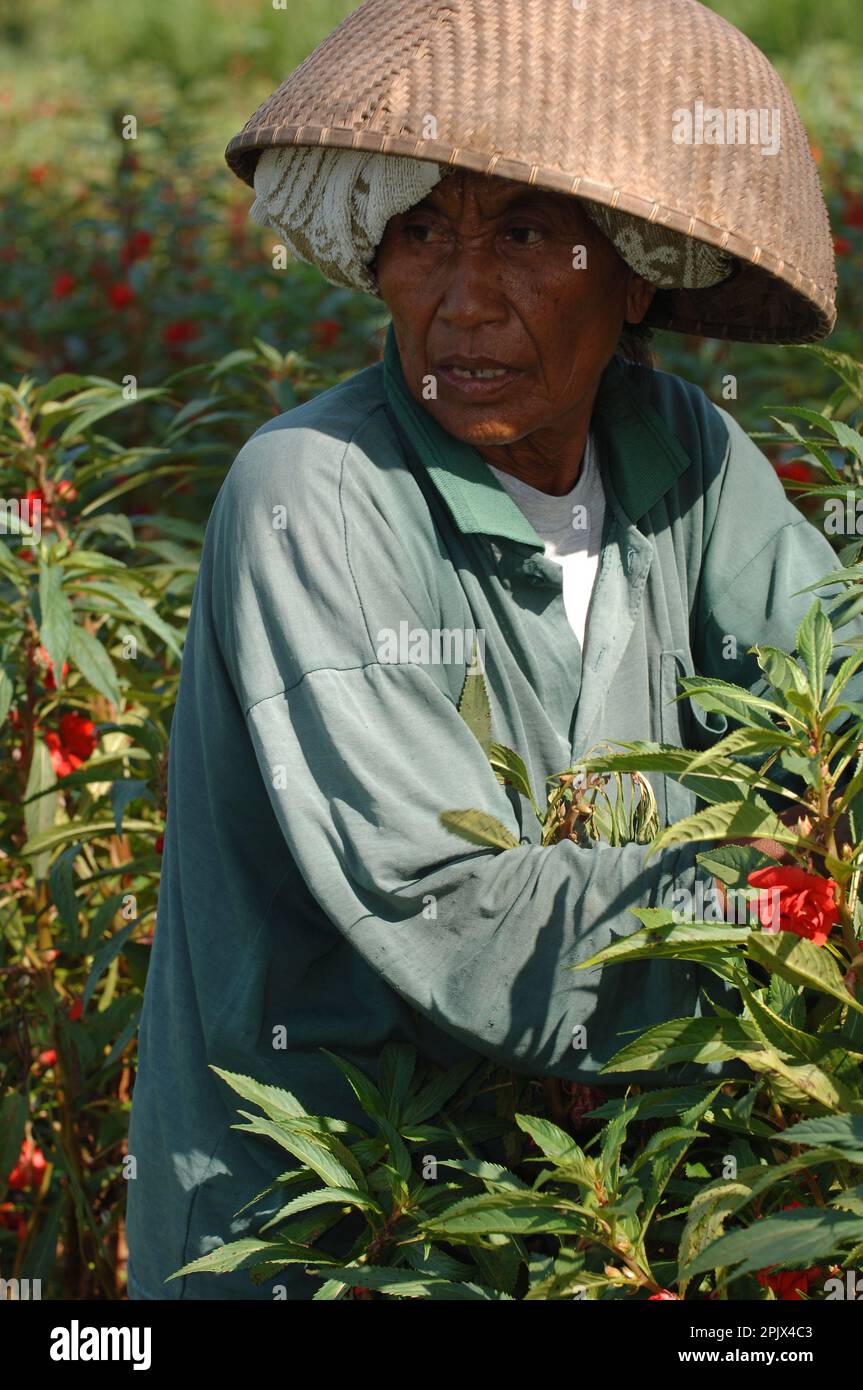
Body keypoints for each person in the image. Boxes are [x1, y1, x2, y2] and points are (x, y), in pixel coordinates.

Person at [126, 0, 842, 1299]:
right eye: (420, 232)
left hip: (578, 1231)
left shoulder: (679, 453)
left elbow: (830, 690)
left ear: (635, 271)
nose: (462, 299)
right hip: (329, 1238)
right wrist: (782, 910)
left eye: (522, 234)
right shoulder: (310, 494)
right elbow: (447, 905)